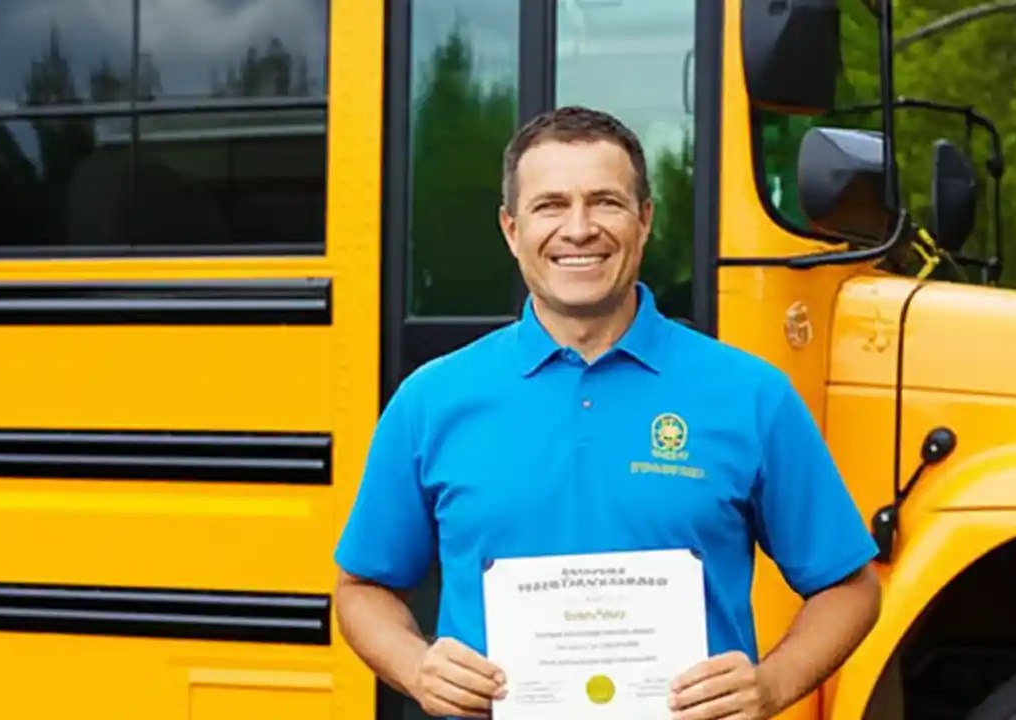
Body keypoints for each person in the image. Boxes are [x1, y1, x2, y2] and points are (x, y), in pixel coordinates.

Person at [333, 106, 882, 719]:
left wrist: (772, 685)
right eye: (550, 206)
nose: (579, 228)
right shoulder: (431, 400)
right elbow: (361, 590)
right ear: (512, 230)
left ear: (644, 221)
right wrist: (416, 666)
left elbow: (850, 588)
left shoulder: (751, 394)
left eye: (605, 202)